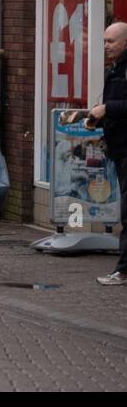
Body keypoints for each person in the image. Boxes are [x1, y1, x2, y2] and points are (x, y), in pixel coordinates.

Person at [89, 21, 127, 285]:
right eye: (104, 41)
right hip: (119, 147)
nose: (105, 46)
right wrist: (98, 117)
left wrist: (107, 109)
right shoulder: (115, 69)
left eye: (110, 41)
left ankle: (123, 270)